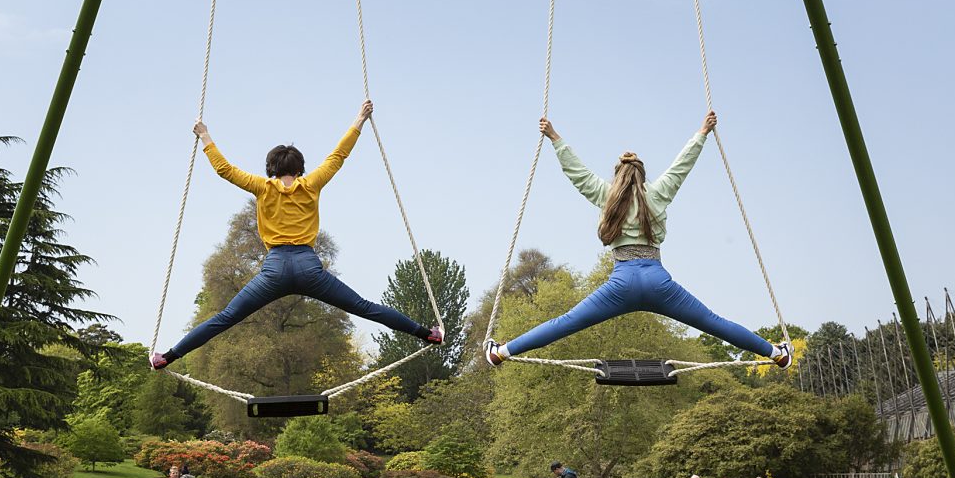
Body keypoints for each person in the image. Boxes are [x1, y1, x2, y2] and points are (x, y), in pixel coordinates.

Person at [482, 114, 793, 371]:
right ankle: (776, 353)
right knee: (713, 322)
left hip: (621, 283)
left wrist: (554, 137)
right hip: (659, 282)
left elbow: (577, 173)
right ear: (643, 176)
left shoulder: (607, 197)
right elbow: (681, 167)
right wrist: (702, 133)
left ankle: (502, 352)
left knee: (566, 322)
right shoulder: (656, 194)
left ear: (617, 176)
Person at [150, 101, 443, 371]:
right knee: (364, 308)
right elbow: (339, 155)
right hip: (308, 266)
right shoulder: (311, 183)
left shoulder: (262, 186)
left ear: (271, 169)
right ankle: (427, 334)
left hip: (274, 269)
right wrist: (360, 119)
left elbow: (224, 170)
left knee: (226, 318)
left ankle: (168, 357)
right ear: (300, 168)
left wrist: (204, 136)